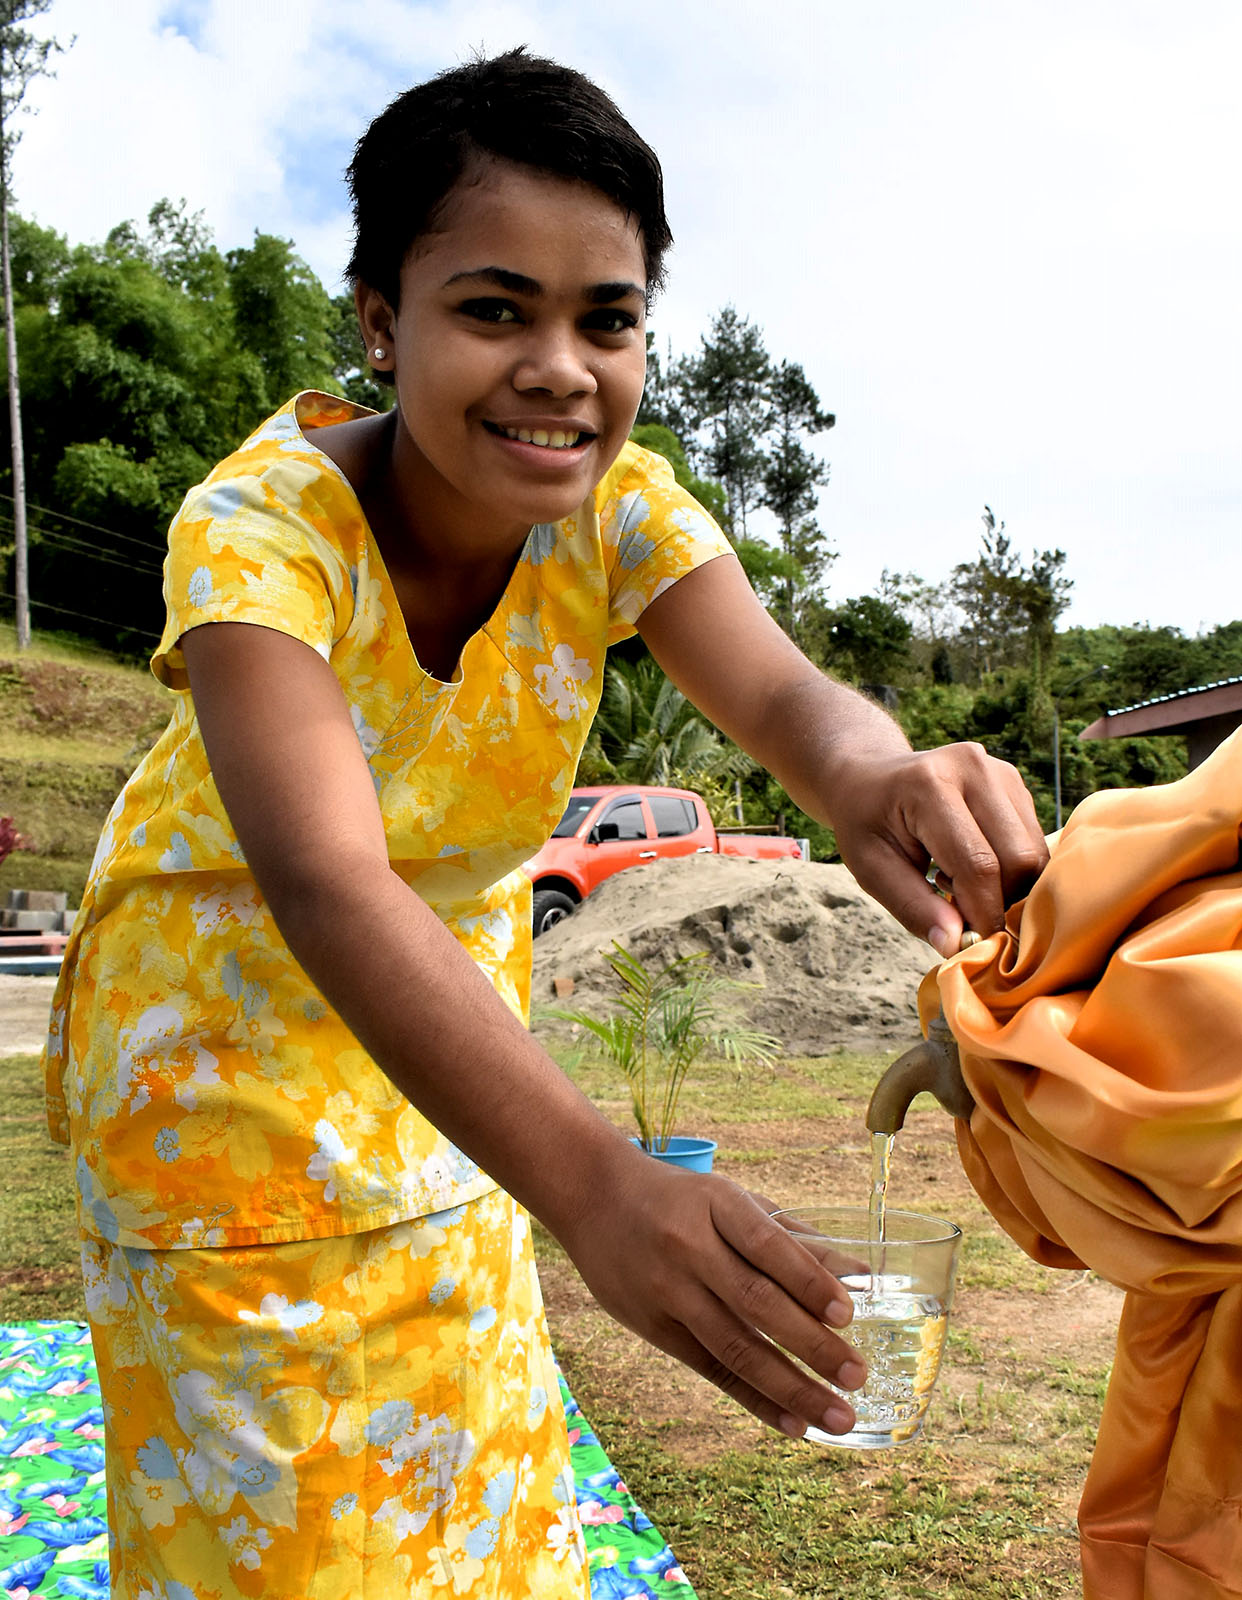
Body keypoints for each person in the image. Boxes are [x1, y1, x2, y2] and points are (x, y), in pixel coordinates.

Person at [44, 47, 1047, 1599]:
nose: (559, 369)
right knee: (287, 1535)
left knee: (475, 1494)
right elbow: (321, 871)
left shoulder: (621, 508)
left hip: (454, 1051)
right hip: (219, 1075)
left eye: (608, 318)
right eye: (493, 309)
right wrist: (591, 1184)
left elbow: (788, 703)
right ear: (382, 320)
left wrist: (874, 775)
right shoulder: (262, 529)